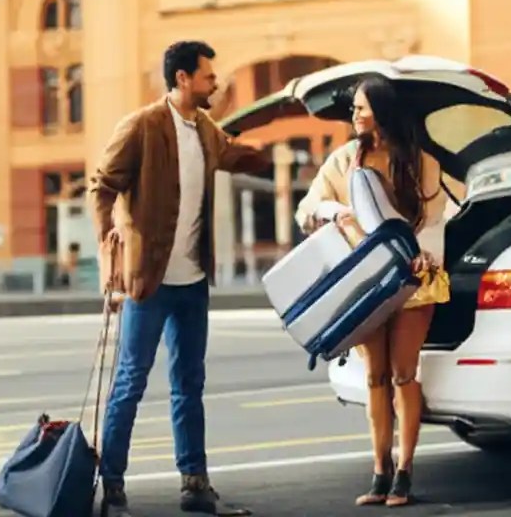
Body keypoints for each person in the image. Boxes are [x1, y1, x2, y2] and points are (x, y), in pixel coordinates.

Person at [88, 40, 270, 517]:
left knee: (189, 383)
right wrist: (110, 250)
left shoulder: (205, 128)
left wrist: (268, 151)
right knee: (130, 381)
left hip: (192, 281)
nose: (217, 83)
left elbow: (234, 155)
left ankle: (195, 484)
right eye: (209, 76)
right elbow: (102, 186)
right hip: (148, 280)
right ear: (183, 79)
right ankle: (112, 486)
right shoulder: (143, 126)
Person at [294, 75, 452, 508]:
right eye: (354, 110)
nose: (354, 116)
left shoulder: (420, 162)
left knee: (404, 374)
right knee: (374, 377)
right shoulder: (345, 160)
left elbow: (436, 220)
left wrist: (425, 256)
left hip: (414, 279)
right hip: (366, 281)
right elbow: (306, 208)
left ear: (381, 113)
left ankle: (404, 472)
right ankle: (379, 472)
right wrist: (337, 211)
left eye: (361, 109)